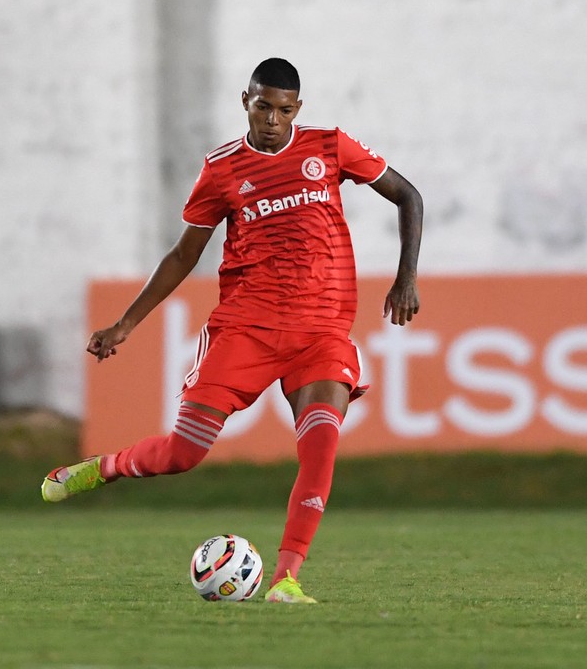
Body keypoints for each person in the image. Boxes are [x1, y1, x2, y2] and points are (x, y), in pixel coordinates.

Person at [41, 58, 423, 604]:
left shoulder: (330, 147)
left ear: (299, 108)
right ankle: (102, 469)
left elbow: (410, 195)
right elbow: (182, 255)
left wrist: (405, 278)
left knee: (320, 450)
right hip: (247, 329)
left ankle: (286, 579)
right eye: (263, 106)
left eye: (285, 109)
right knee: (183, 454)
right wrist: (125, 324)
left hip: (321, 333)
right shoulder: (222, 170)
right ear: (244, 100)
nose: (273, 119)